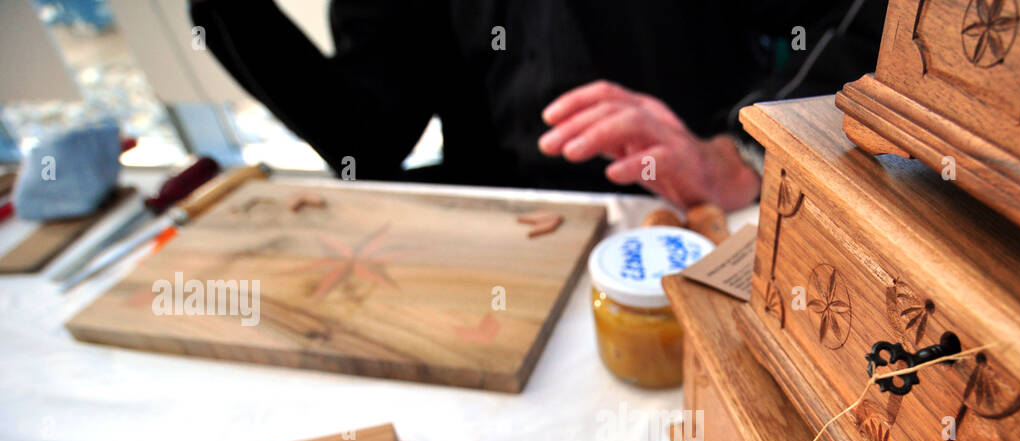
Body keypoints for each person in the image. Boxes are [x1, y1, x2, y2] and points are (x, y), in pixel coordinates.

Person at [191, 0, 885, 210]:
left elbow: (865, 16)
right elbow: (368, 135)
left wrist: (750, 147)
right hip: (510, 235)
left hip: (702, 212)